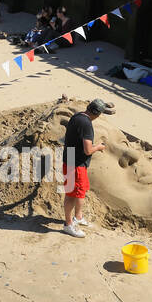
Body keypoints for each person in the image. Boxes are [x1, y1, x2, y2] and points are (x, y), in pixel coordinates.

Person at [62, 98, 113, 237]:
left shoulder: (77, 116)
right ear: (97, 113)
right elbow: (88, 150)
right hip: (76, 163)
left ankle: (78, 217)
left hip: (70, 158)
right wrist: (99, 147)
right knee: (73, 194)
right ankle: (68, 224)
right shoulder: (87, 124)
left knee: (79, 191)